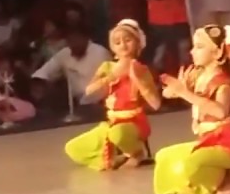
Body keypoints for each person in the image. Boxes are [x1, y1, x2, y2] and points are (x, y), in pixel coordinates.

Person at [152, 24, 230, 194]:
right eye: (194, 46)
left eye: (199, 47)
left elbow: (220, 112)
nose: (192, 51)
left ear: (218, 53)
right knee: (165, 157)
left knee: (193, 164)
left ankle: (226, 177)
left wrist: (184, 93)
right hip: (207, 140)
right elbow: (169, 93)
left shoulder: (224, 84)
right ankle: (218, 175)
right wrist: (174, 90)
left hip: (226, 145)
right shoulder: (196, 75)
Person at [63, 20, 162, 170]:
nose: (122, 45)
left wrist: (139, 81)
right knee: (73, 148)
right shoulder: (107, 67)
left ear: (137, 43)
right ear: (112, 47)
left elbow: (156, 104)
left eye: (127, 40)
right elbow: (89, 90)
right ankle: (113, 159)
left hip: (134, 122)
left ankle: (136, 154)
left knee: (118, 133)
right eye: (117, 42)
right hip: (112, 122)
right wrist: (111, 76)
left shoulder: (141, 69)